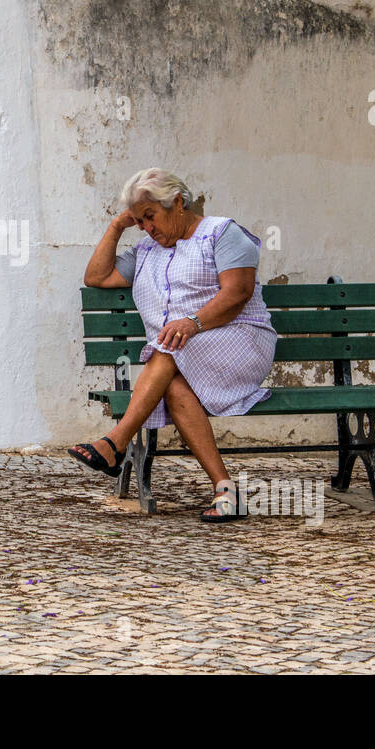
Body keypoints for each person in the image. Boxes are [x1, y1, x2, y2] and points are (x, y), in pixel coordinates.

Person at [75, 167, 277, 523]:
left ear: (178, 203)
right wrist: (116, 227)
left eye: (150, 217)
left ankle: (115, 443)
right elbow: (96, 277)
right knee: (174, 383)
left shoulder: (222, 234)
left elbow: (238, 293)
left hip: (240, 342)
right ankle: (225, 490)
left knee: (167, 346)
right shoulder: (146, 251)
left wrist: (193, 323)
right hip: (179, 353)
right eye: (139, 221)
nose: (147, 228)